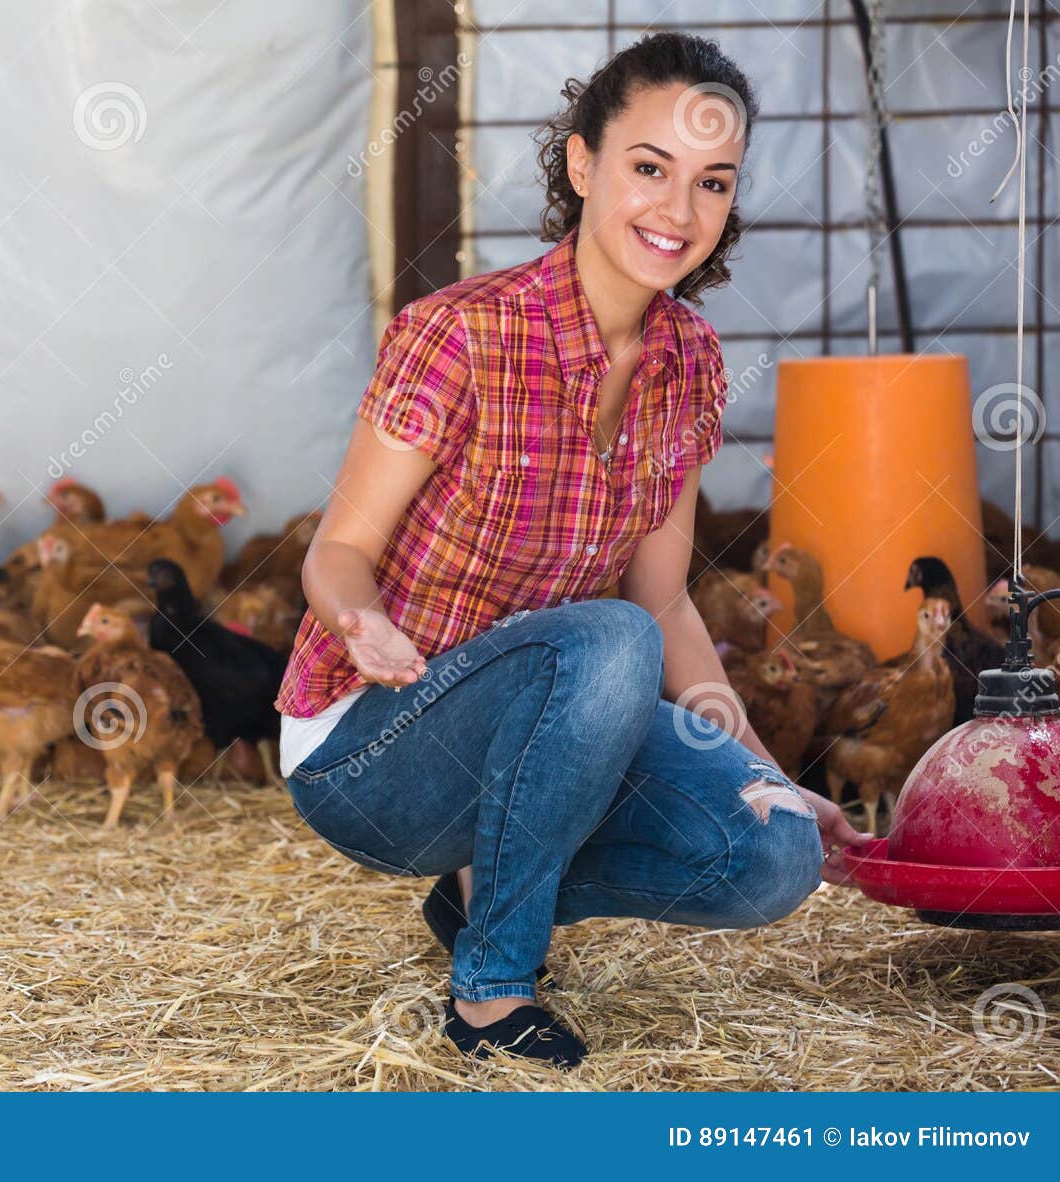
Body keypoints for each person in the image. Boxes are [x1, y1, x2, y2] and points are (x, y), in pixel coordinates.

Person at [276, 32, 865, 1068]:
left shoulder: (690, 362)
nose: (677, 210)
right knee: (607, 639)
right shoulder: (461, 334)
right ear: (583, 164)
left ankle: (486, 890)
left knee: (775, 854)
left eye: (712, 182)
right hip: (372, 746)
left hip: (559, 729)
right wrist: (360, 623)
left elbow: (666, 603)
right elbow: (338, 550)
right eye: (649, 167)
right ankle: (492, 994)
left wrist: (769, 772)